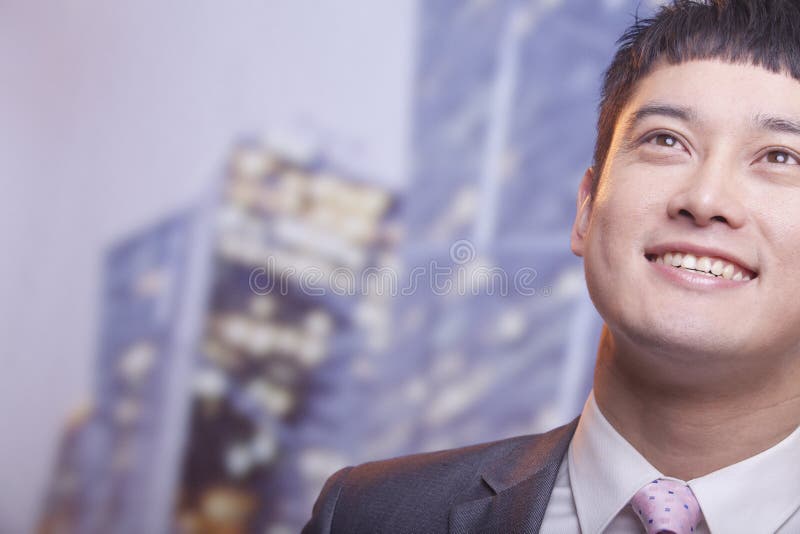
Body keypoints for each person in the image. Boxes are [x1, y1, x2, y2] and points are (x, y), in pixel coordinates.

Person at [303, 1, 800, 532]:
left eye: (780, 157)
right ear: (585, 209)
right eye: (665, 140)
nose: (704, 199)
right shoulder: (367, 513)